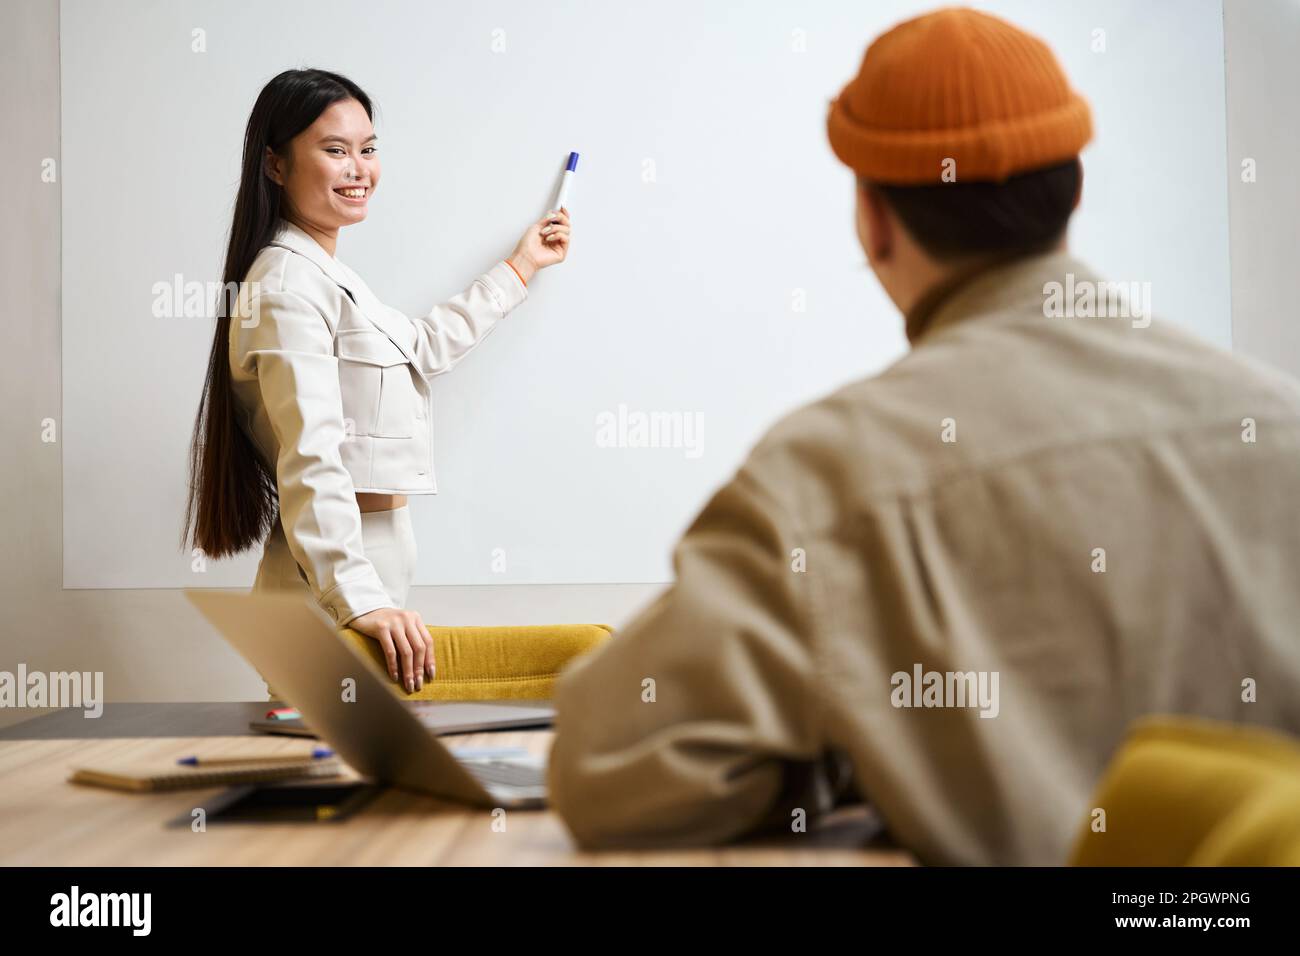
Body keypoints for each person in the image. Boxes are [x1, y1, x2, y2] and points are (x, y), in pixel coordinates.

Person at [545, 7, 1300, 865]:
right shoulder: (1278, 422)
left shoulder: (824, 475)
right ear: (1071, 189)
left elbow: (607, 768)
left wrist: (864, 737)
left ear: (873, 220)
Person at [182, 69, 570, 696]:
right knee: (330, 771)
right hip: (330, 577)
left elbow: (419, 347)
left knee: (354, 768)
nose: (359, 167)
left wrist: (522, 265)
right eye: (335, 150)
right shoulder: (286, 284)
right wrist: (357, 597)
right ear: (276, 166)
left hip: (362, 563)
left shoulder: (325, 275)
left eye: (368, 148)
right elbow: (311, 453)